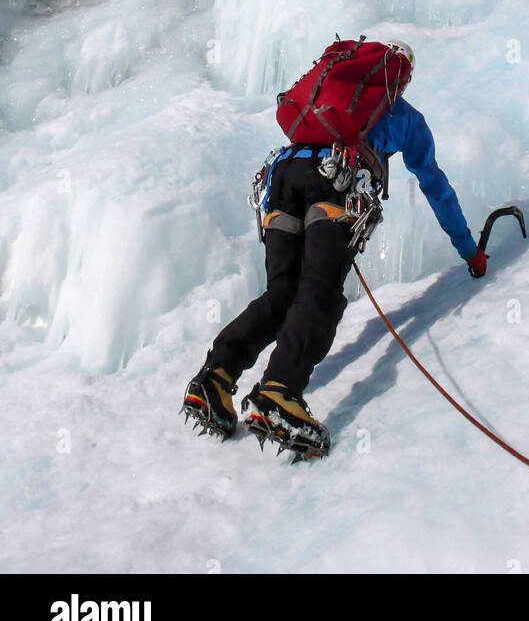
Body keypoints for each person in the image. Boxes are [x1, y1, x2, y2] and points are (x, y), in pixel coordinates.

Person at [181, 40, 486, 456]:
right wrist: (469, 251)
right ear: (401, 77)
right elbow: (435, 185)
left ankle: (213, 378)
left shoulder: (327, 101)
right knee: (320, 291)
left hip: (283, 174)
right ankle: (279, 392)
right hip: (336, 181)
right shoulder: (405, 117)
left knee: (281, 293)